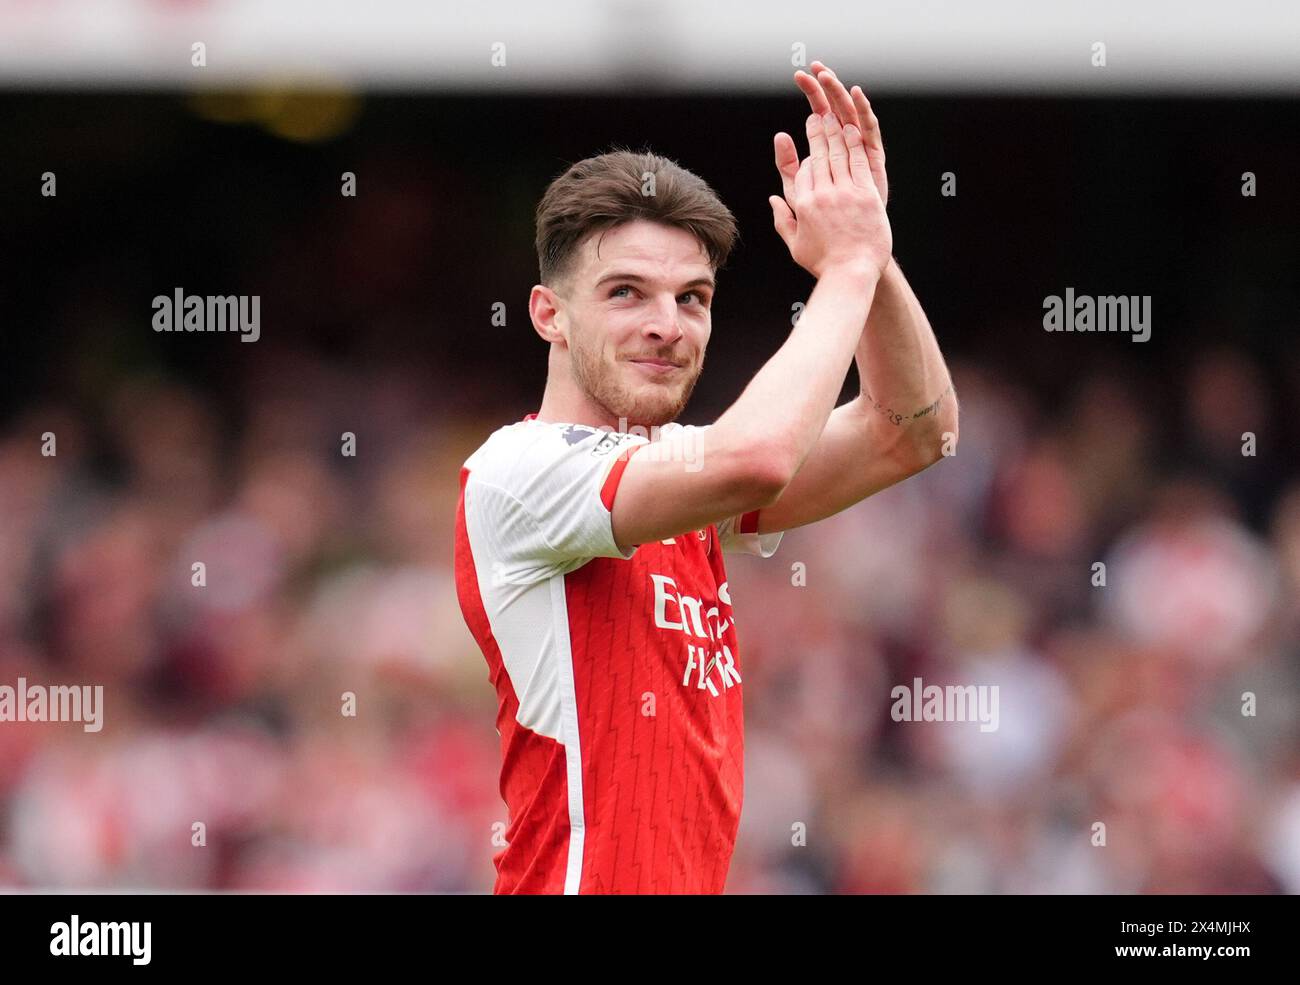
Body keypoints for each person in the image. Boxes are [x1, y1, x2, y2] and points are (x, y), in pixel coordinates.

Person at [454, 63, 958, 894]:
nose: (667, 325)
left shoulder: (682, 480)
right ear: (549, 314)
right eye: (626, 293)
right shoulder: (522, 470)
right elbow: (754, 458)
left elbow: (914, 432)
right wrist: (845, 273)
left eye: (693, 298)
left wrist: (873, 252)